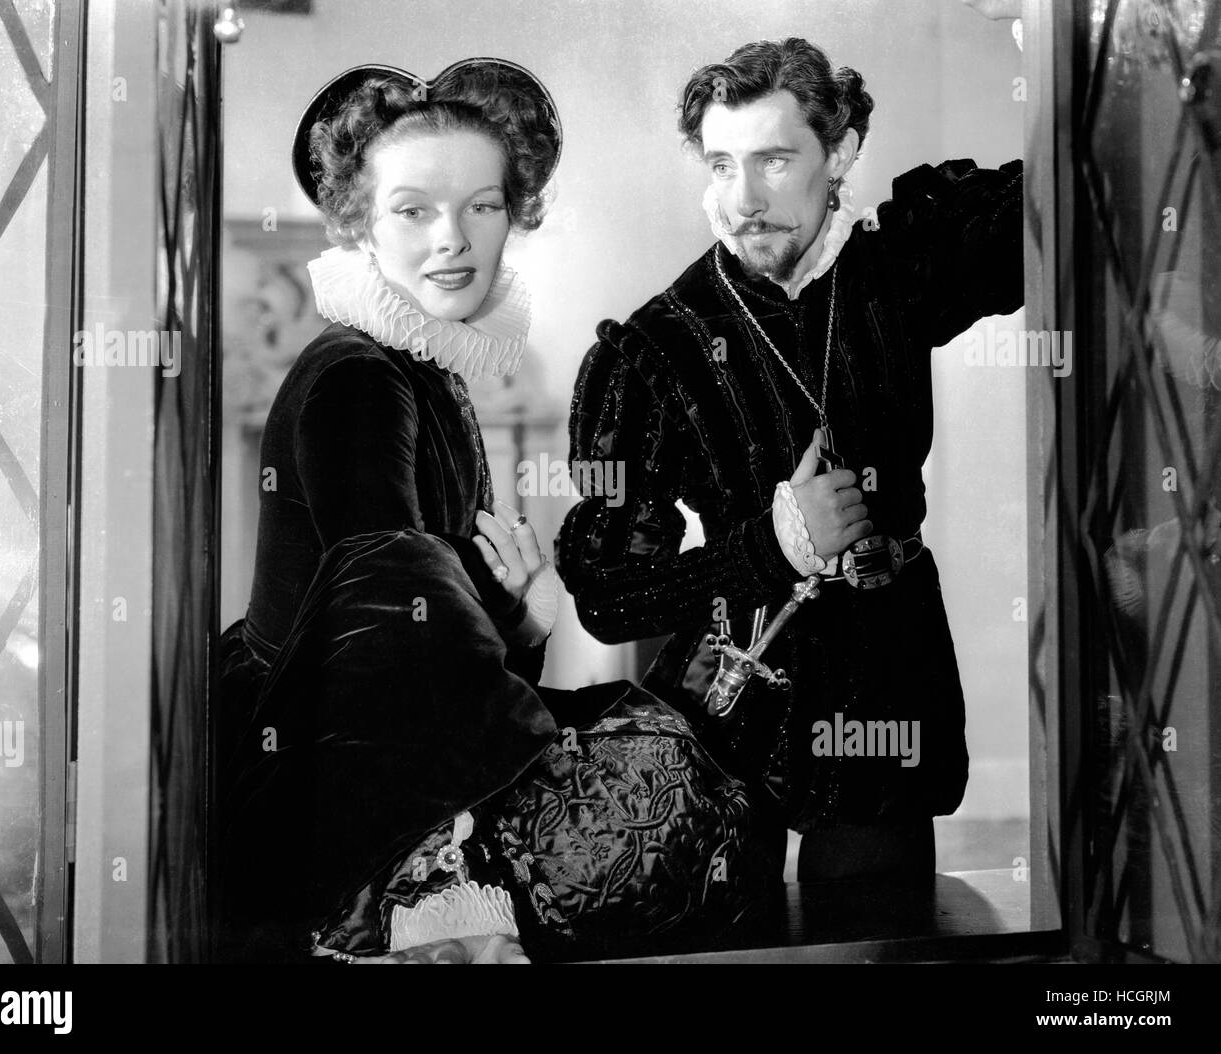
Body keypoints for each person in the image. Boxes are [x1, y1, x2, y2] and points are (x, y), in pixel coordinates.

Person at [214, 58, 762, 964]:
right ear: (360, 221)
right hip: (326, 774)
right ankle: (425, 888)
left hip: (393, 726)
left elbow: (449, 626)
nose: (454, 240)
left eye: (482, 205)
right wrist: (448, 882)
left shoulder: (426, 367)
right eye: (414, 210)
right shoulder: (358, 378)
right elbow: (386, 607)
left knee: (672, 762)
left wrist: (521, 611)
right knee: (649, 790)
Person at [555, 36, 1024, 892]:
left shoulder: (899, 270)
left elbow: (1056, 204)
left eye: (775, 160)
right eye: (723, 163)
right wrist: (769, 547)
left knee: (879, 938)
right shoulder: (656, 345)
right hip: (734, 705)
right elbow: (603, 591)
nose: (745, 199)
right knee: (736, 947)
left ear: (838, 152)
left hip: (883, 685)